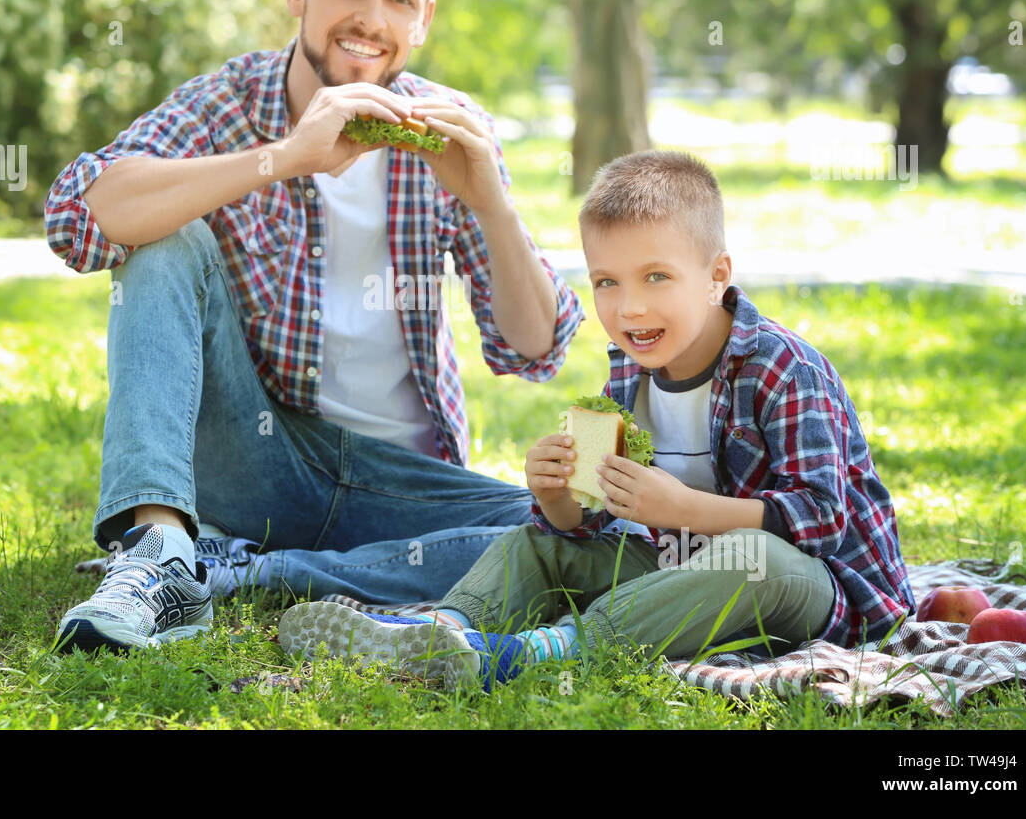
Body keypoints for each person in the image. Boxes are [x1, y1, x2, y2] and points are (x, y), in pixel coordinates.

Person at [47, 0, 584, 652]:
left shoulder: (449, 128)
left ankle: (241, 574)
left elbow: (534, 348)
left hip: (401, 483)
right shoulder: (232, 102)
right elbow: (81, 216)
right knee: (165, 236)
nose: (371, 19)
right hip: (262, 457)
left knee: (573, 538)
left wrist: (492, 204)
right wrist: (281, 158)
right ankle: (162, 551)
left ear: (424, 21)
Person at [278, 150, 916, 691]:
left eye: (656, 276)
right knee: (535, 542)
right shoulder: (628, 372)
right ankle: (440, 638)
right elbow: (589, 525)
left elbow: (822, 522)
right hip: (681, 572)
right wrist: (556, 499)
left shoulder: (781, 368)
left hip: (817, 594)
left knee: (755, 556)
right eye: (606, 282)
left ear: (718, 274)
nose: (629, 306)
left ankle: (541, 652)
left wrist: (685, 510)